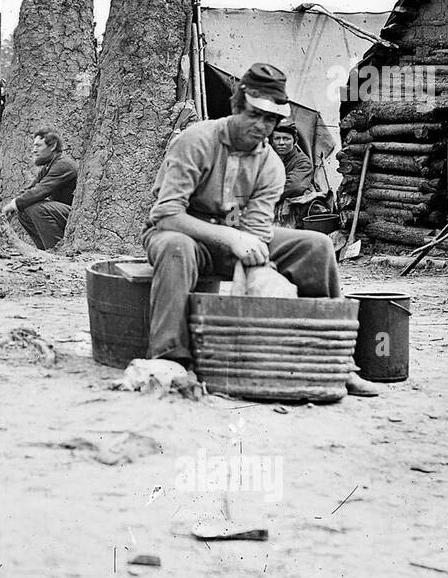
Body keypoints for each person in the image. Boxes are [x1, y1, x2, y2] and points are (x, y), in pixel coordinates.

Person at [140, 64, 378, 396]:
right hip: (183, 234)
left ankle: (333, 359)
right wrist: (231, 237)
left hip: (237, 237)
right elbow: (166, 214)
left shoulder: (270, 165)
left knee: (317, 246)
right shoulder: (196, 140)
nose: (261, 126)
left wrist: (257, 272)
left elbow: (255, 230)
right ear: (237, 106)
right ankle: (170, 358)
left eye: (270, 119)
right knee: (174, 247)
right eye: (254, 114)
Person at [0, 128, 79, 251]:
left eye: (38, 145)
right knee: (23, 211)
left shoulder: (64, 164)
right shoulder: (49, 166)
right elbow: (31, 189)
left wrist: (12, 205)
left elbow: (40, 191)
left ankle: (56, 250)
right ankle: (45, 251)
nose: (34, 150)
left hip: (76, 217)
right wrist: (10, 206)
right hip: (64, 215)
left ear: (53, 146)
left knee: (37, 209)